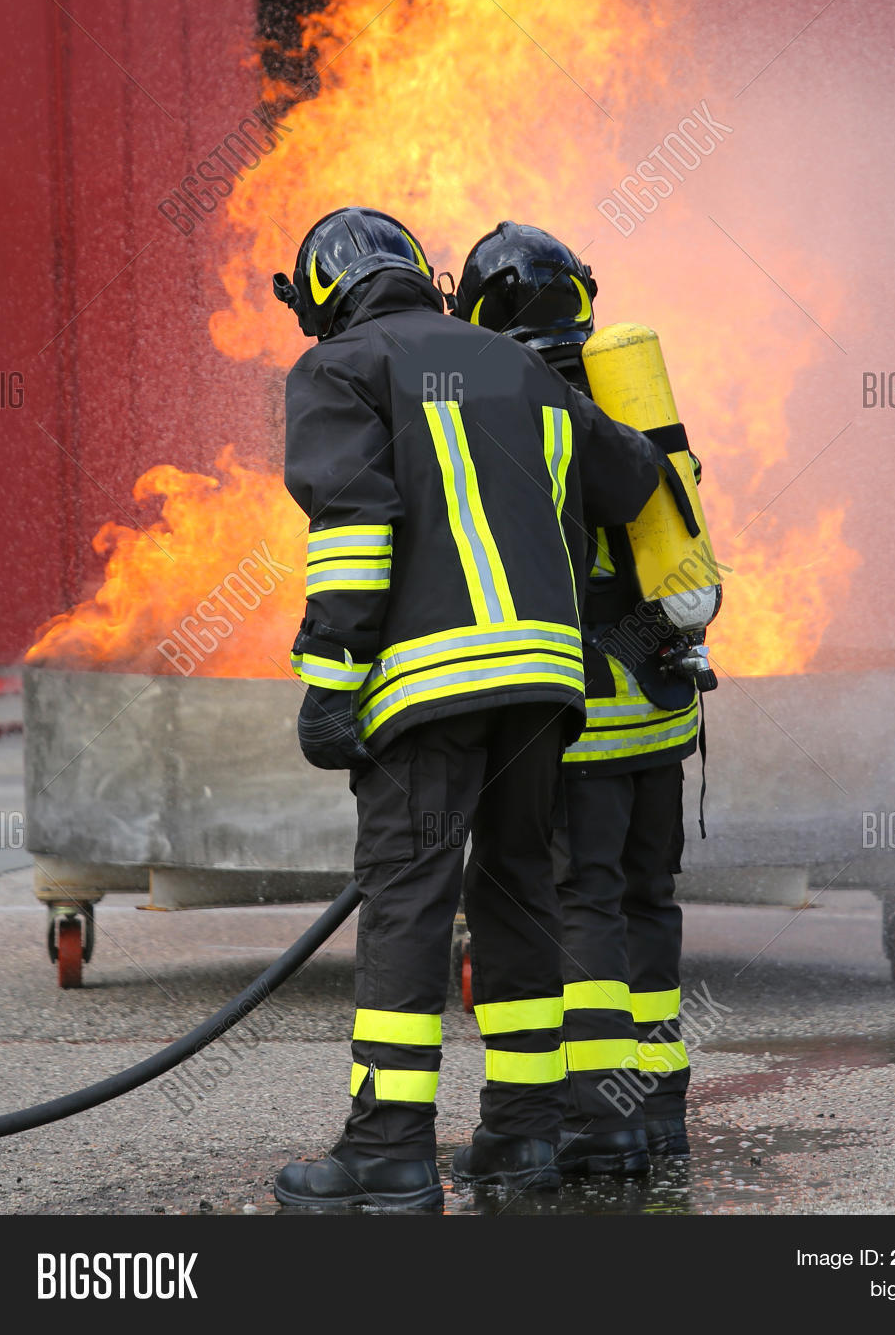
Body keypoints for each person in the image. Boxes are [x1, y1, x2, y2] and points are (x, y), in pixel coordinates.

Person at [269, 206, 660, 1210]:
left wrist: (330, 681)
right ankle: (522, 1136)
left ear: (323, 294)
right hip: (544, 685)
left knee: (407, 895)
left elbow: (354, 524)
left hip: (433, 686)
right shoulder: (517, 367)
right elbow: (630, 480)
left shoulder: (342, 367)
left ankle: (389, 1147)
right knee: (521, 887)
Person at [455, 222, 702, 1179]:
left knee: (583, 899)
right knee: (650, 898)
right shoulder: (633, 401)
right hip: (664, 706)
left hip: (587, 716)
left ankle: (603, 1117)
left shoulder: (523, 414)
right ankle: (660, 1103)